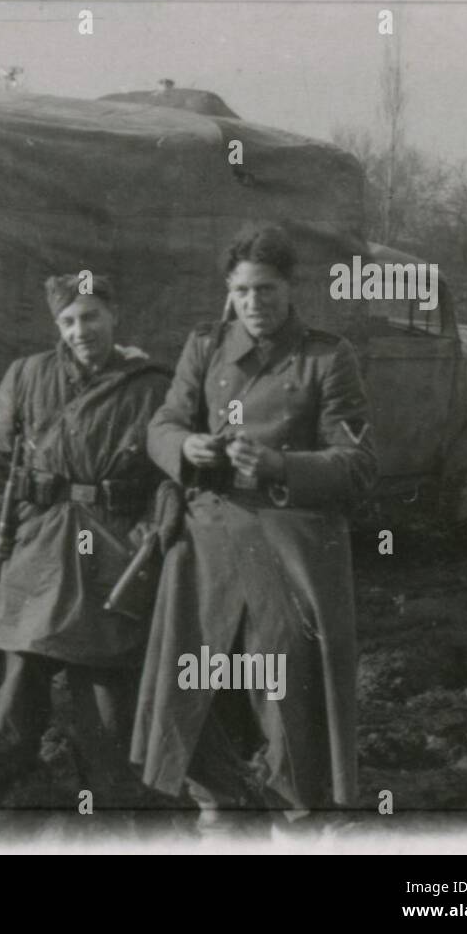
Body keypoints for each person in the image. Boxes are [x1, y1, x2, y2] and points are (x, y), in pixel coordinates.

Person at [130, 224, 377, 832]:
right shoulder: (206, 347)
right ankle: (214, 794)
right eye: (242, 291)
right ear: (229, 291)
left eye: (266, 290)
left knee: (283, 683)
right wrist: (187, 445)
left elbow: (358, 464)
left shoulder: (327, 357)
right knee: (194, 676)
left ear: (290, 289)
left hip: (288, 547)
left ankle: (291, 809)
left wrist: (279, 465)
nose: (254, 303)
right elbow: (162, 424)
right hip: (208, 541)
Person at [0, 274, 172, 796]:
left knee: (105, 682)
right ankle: (7, 782)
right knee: (18, 671)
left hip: (111, 543)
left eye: (91, 317)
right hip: (37, 540)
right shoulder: (29, 374)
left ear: (113, 315)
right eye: (69, 321)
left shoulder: (151, 386)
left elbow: (170, 475)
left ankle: (111, 794)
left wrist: (152, 527)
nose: (81, 331)